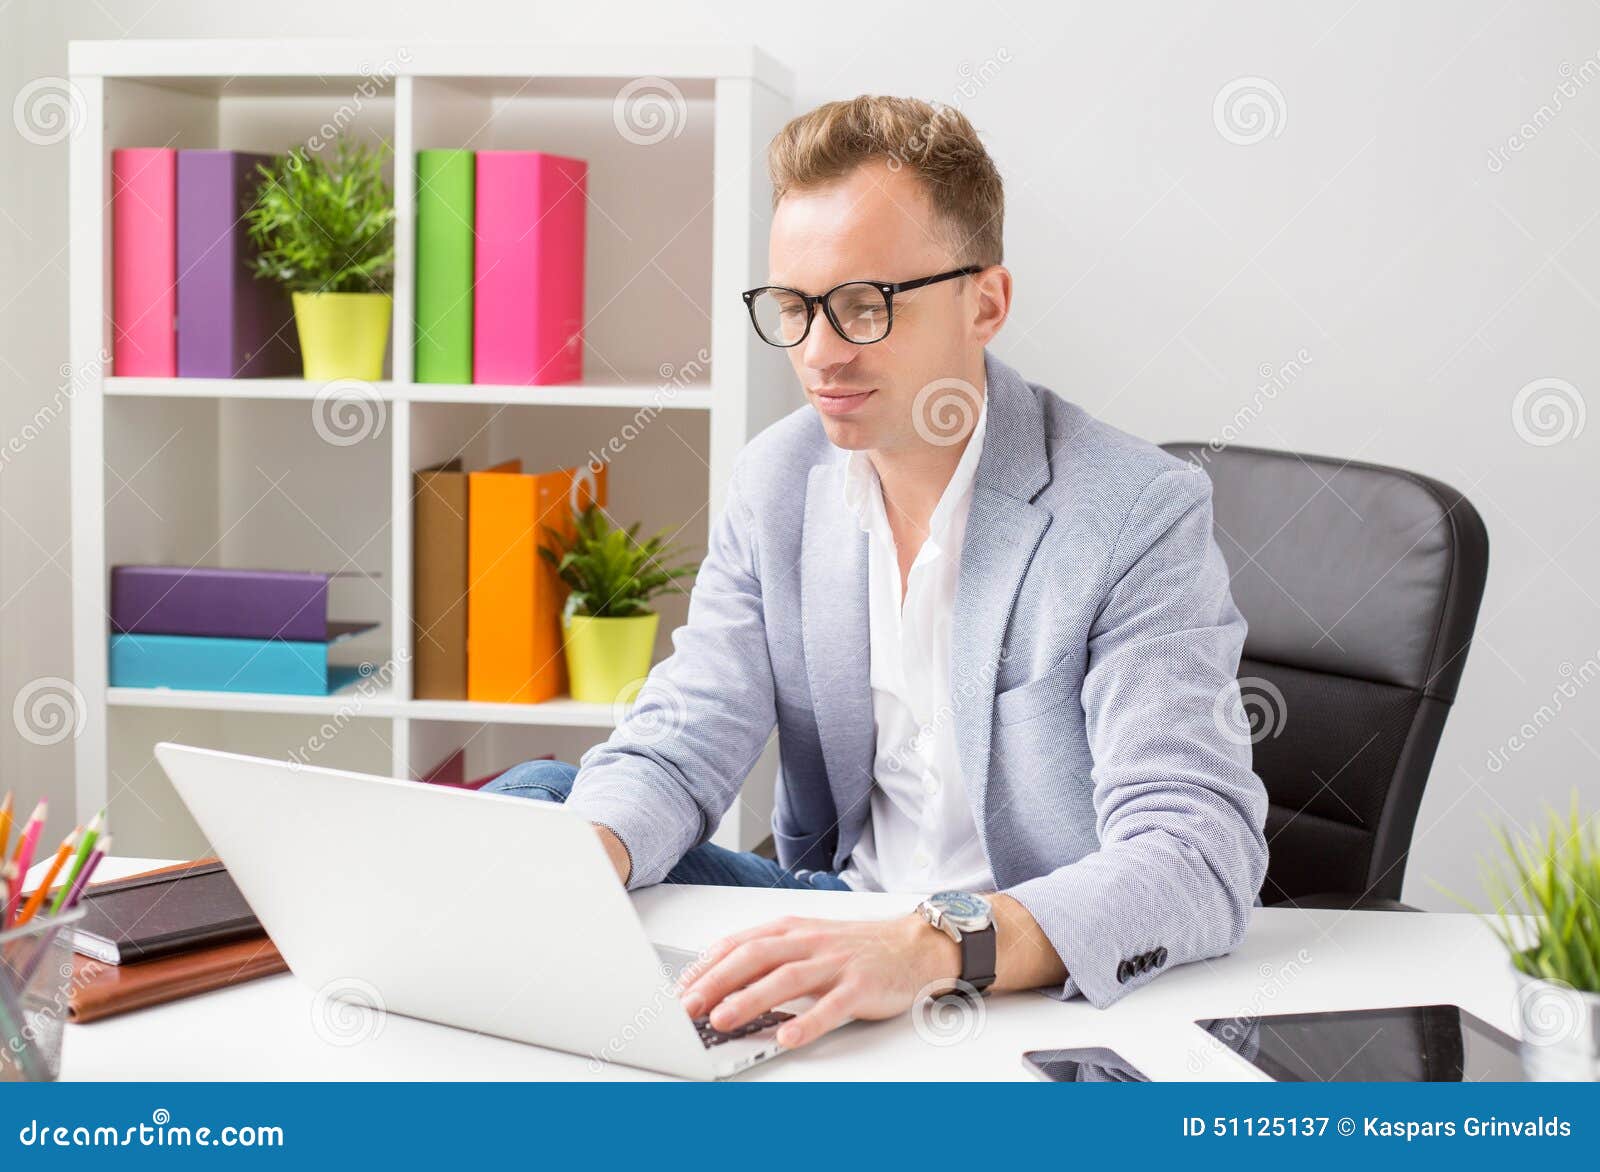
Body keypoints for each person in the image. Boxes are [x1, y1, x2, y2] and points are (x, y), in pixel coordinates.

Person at [484, 95, 1268, 1052]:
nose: (819, 353)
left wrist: (926, 945)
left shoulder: (1136, 512)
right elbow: (683, 738)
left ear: (985, 302)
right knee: (541, 804)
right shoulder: (780, 479)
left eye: (864, 306)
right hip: (845, 916)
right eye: (794, 308)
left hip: (1016, 957)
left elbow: (1197, 851)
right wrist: (586, 865)